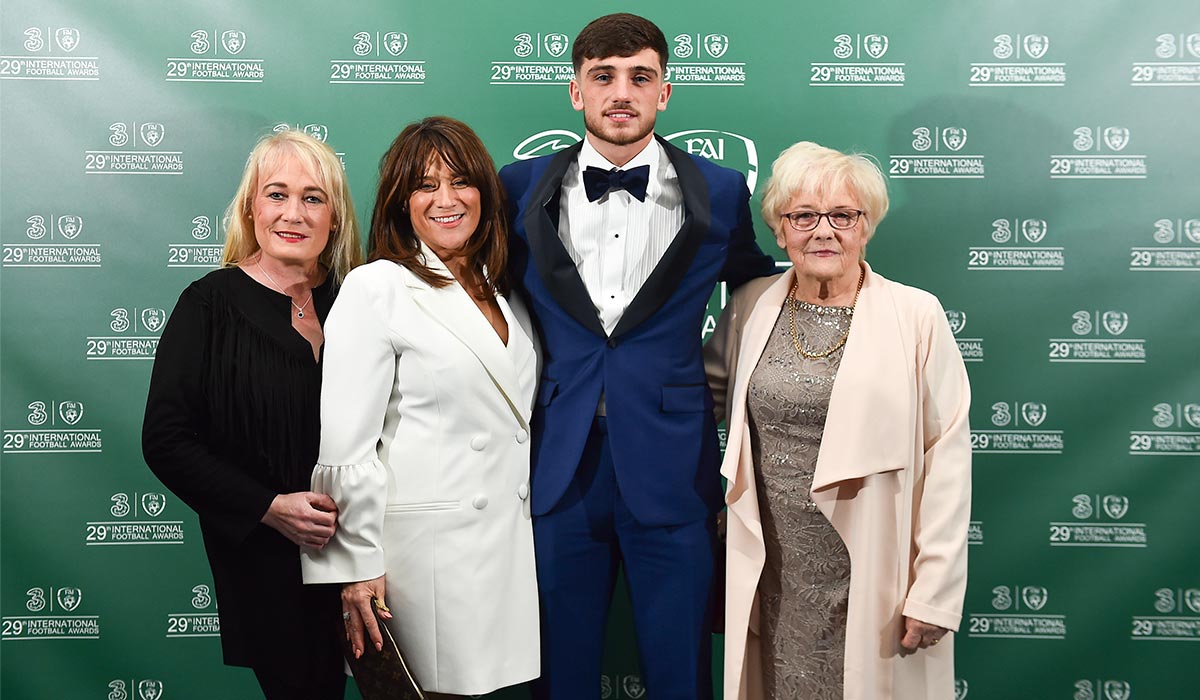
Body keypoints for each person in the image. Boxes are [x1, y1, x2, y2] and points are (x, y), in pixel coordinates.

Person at [498, 13, 776, 700]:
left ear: (665, 92)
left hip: (675, 467)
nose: (621, 93)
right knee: (558, 674)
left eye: (639, 77)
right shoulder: (517, 187)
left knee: (681, 672)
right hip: (556, 465)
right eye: (603, 77)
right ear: (576, 92)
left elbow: (758, 285)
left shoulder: (721, 190)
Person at [704, 141, 972, 700]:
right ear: (779, 231)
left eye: (843, 215)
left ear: (866, 226)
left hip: (878, 563)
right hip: (773, 564)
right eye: (802, 216)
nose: (823, 231)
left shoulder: (915, 314)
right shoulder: (751, 304)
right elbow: (697, 400)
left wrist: (935, 591)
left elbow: (945, 456)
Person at [301, 116, 540, 698]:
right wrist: (356, 570)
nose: (446, 200)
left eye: (461, 181)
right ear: (400, 203)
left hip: (503, 549)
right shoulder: (376, 286)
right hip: (424, 560)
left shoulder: (501, 290)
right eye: (425, 185)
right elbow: (346, 447)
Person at [143, 129, 363, 699]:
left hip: (365, 554)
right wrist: (268, 508)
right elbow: (166, 440)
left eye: (314, 198)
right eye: (277, 194)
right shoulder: (208, 304)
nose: (295, 213)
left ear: (335, 217)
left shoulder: (360, 301)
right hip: (265, 560)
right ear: (251, 207)